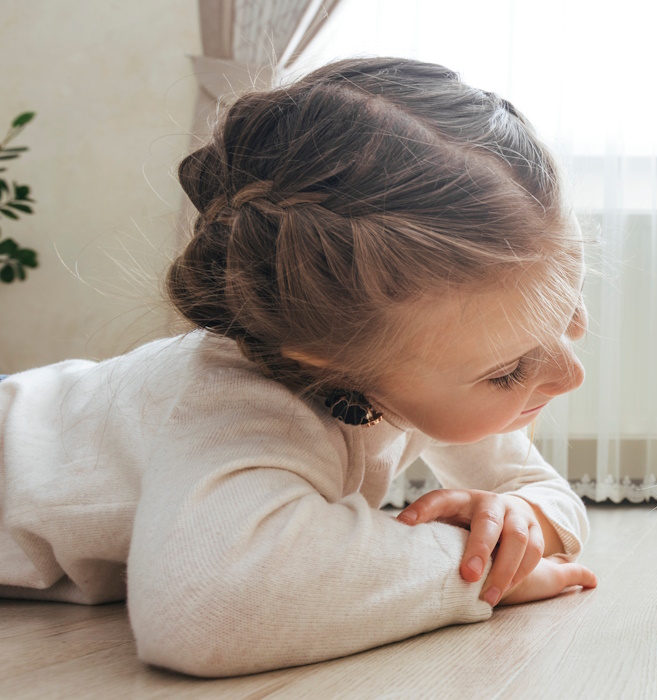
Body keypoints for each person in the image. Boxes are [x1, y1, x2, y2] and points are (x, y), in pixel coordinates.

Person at [0, 57, 596, 677]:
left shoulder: (417, 360)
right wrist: (475, 575)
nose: (569, 373)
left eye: (571, 313)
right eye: (507, 372)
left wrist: (523, 529)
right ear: (331, 363)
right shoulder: (245, 399)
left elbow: (541, 491)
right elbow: (203, 611)